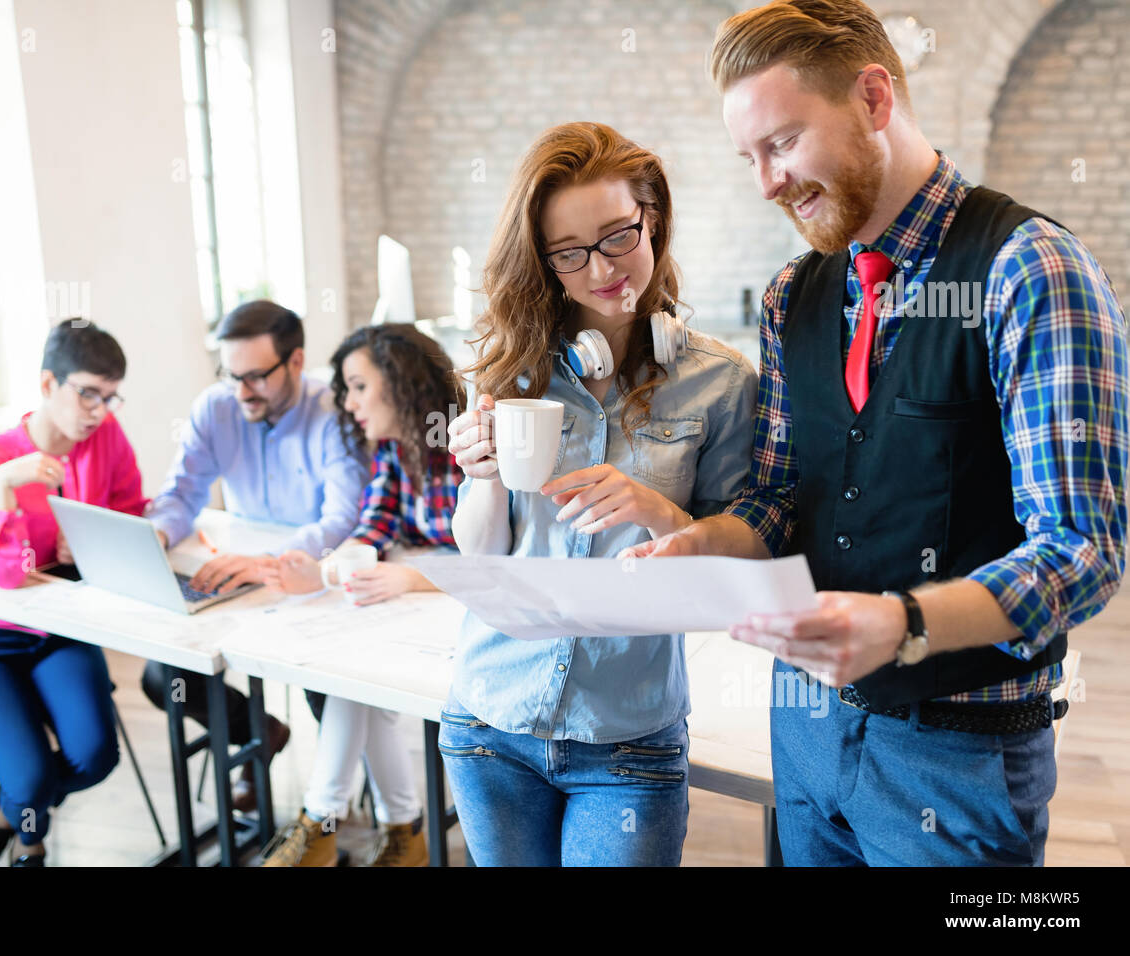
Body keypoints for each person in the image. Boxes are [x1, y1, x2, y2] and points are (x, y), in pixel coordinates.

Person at [629, 0, 1128, 866]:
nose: (766, 183)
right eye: (747, 157)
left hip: (958, 755)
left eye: (781, 143)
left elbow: (1083, 549)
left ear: (873, 98)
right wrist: (701, 540)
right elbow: (783, 493)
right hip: (806, 732)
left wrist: (904, 623)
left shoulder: (1029, 268)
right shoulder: (795, 294)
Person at [444, 121, 758, 866]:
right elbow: (481, 552)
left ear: (653, 215)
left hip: (628, 739)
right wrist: (479, 478)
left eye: (620, 235)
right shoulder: (503, 369)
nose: (603, 268)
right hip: (490, 719)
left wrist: (658, 510)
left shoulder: (719, 382)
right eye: (570, 253)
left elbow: (738, 566)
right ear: (544, 263)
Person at [139, 300, 367, 812]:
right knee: (165, 677)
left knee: (326, 688)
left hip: (310, 583)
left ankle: (331, 809)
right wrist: (158, 532)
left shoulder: (334, 413)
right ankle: (256, 733)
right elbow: (180, 494)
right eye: (230, 374)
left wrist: (269, 559)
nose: (241, 391)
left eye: (256, 377)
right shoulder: (215, 407)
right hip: (238, 581)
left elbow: (342, 521)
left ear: (296, 361)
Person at [0, 320, 141, 866]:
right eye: (87, 393)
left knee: (95, 758)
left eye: (109, 396)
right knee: (31, 771)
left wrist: (93, 545)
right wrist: (5, 486)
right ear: (48, 384)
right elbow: (3, 575)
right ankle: (31, 837)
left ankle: (15, 808)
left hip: (59, 629)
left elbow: (131, 515)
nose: (99, 410)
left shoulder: (106, 439)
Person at [259, 323, 465, 867]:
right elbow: (373, 525)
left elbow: (500, 560)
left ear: (402, 385)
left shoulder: (468, 442)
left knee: (356, 680)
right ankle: (401, 833)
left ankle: (323, 823)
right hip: (422, 615)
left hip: (474, 622)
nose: (348, 404)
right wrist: (324, 572)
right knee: (357, 682)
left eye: (358, 387)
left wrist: (413, 577)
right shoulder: (396, 451)